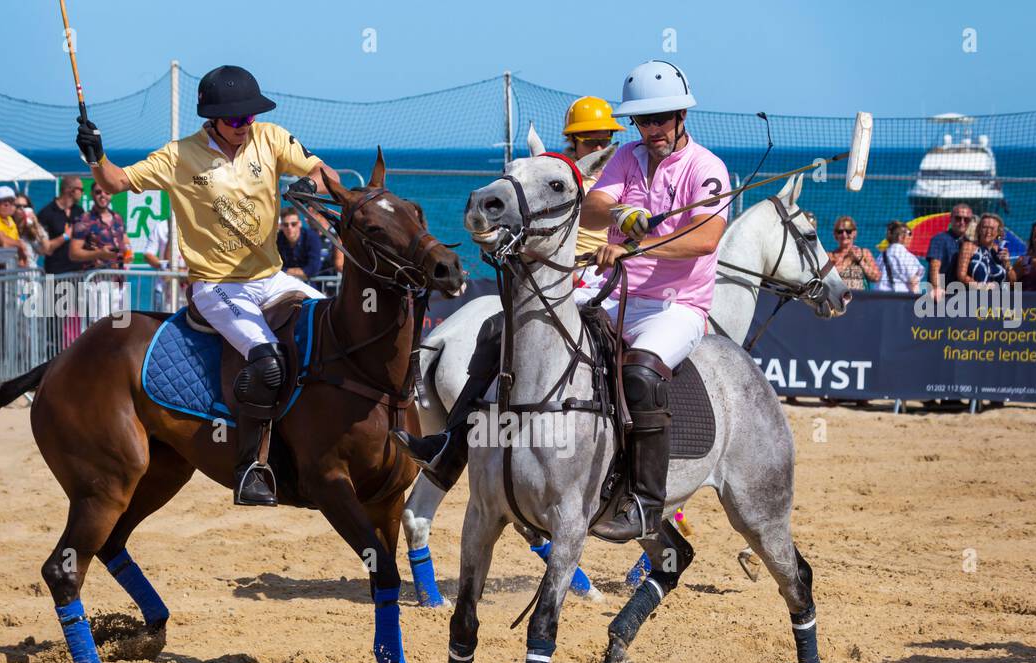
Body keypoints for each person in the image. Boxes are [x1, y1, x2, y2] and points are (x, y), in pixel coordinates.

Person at [395, 60, 730, 543]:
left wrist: (635, 244)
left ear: (681, 116)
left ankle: (644, 500)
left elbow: (704, 240)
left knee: (638, 373)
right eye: (643, 120)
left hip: (674, 306)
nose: (652, 129)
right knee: (507, 332)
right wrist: (625, 212)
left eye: (661, 118)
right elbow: (591, 203)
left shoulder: (706, 168)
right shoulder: (628, 157)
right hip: (616, 290)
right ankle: (449, 448)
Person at [78, 64, 339, 506]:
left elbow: (321, 170)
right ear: (212, 119)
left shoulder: (270, 138)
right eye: (236, 119)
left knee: (336, 330)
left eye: (250, 116)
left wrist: (310, 184)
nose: (245, 125)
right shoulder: (179, 156)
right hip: (217, 285)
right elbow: (117, 181)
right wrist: (95, 156)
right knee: (268, 361)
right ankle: (251, 468)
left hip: (270, 277)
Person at [562, 95, 624, 292]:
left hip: (620, 267)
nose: (598, 149)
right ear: (573, 141)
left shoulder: (623, 175)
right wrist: (568, 276)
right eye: (590, 142)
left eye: (604, 141)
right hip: (578, 273)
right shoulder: (564, 182)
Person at [70, 182, 129, 271]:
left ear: (111, 194)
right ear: (92, 195)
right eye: (98, 192)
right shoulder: (83, 220)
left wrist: (128, 252)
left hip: (119, 278)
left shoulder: (118, 218)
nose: (103, 195)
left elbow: (125, 241)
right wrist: (99, 253)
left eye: (107, 192)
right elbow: (73, 253)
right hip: (96, 279)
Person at [36, 176, 86, 277]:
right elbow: (43, 248)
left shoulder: (79, 211)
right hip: (55, 273)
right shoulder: (46, 214)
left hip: (78, 272)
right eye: (81, 189)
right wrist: (66, 236)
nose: (83, 193)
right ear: (70, 190)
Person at [956, 212, 1016, 287]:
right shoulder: (969, 247)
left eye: (992, 228)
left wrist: (1007, 262)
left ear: (998, 232)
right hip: (976, 296)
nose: (988, 232)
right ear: (979, 229)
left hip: (999, 297)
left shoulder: (1000, 250)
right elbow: (961, 276)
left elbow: (1013, 282)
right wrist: (981, 287)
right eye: (985, 227)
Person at [927, 202, 973, 298]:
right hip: (944, 293)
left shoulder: (970, 242)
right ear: (951, 219)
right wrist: (936, 287)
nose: (962, 222)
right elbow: (934, 265)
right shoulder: (940, 239)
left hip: (964, 295)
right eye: (958, 218)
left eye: (966, 219)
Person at [826, 215, 879, 290]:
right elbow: (826, 279)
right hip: (838, 300)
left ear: (854, 233)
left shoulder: (864, 253)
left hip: (860, 299)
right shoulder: (830, 256)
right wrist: (848, 260)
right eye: (840, 232)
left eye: (848, 231)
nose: (844, 235)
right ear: (835, 234)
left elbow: (876, 277)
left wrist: (860, 261)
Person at [875, 220, 923, 293]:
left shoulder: (881, 256)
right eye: (909, 233)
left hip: (878, 296)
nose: (911, 237)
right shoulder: (905, 255)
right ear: (901, 237)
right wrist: (916, 300)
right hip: (899, 299)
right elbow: (913, 281)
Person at [276, 207, 322, 279]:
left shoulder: (312, 237)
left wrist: (285, 271)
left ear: (299, 224)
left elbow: (313, 268)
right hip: (284, 284)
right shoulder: (278, 239)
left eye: (293, 224)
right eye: (286, 225)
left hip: (309, 283)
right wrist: (301, 272)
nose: (289, 227)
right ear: (281, 226)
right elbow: (273, 267)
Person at [13, 193, 51, 267]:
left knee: (52, 277)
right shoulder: (8, 228)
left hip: (32, 275)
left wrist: (36, 224)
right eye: (18, 206)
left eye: (25, 206)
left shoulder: (32, 230)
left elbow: (46, 250)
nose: (22, 209)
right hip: (14, 276)